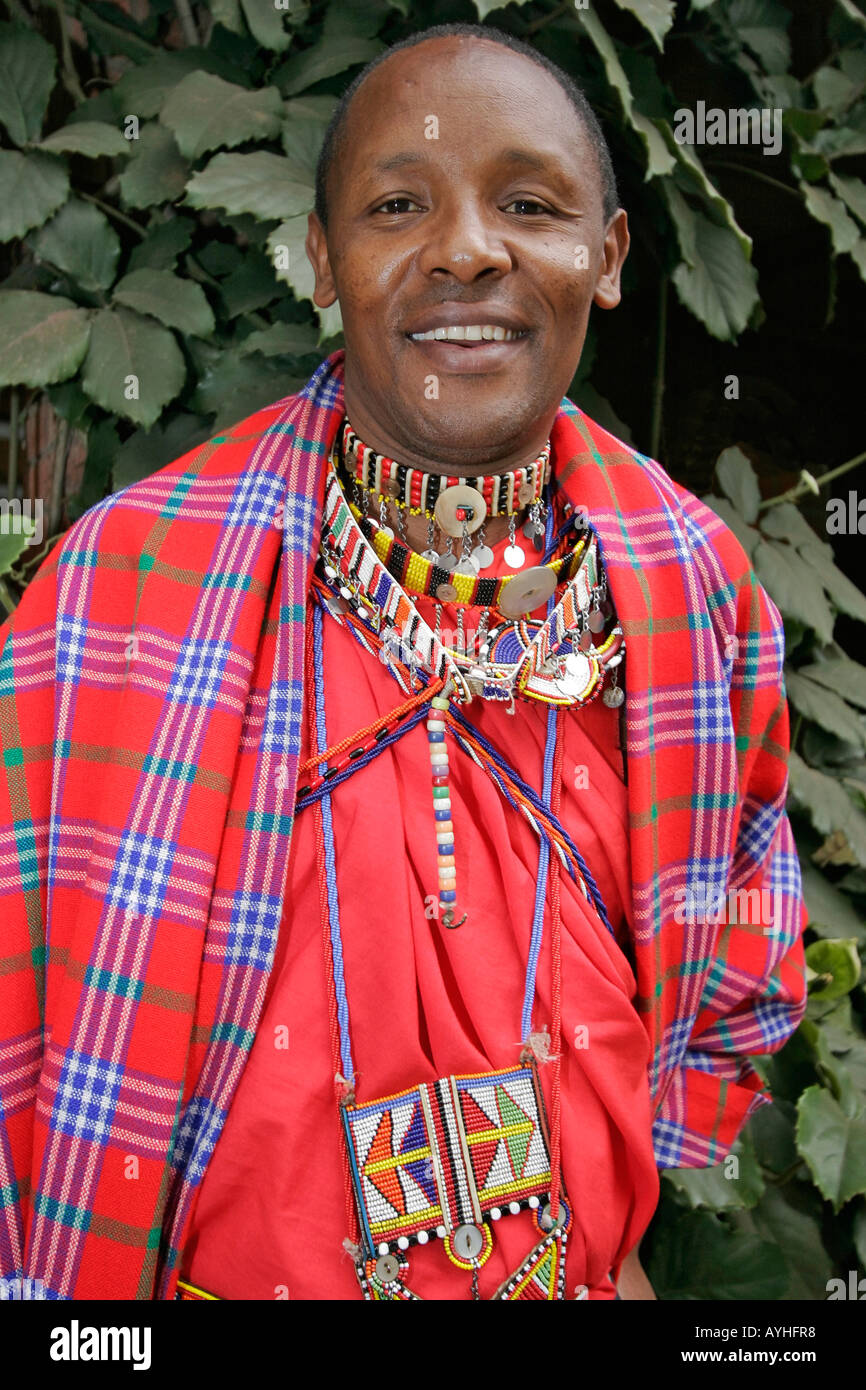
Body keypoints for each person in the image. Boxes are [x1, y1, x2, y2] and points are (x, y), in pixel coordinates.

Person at [0, 23, 806, 1302]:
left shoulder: (691, 594)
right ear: (322, 260)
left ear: (604, 260)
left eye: (529, 205)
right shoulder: (126, 586)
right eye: (394, 205)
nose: (467, 250)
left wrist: (630, 1207)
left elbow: (743, 931)